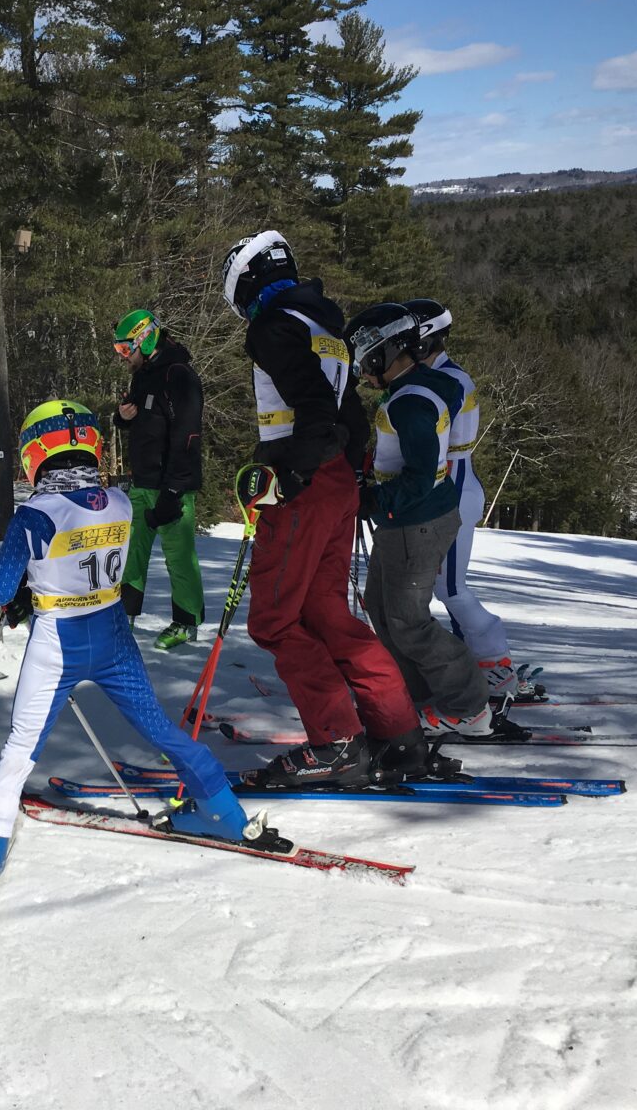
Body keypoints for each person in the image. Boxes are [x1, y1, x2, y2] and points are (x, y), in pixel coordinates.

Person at [0, 400, 251, 893]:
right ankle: (229, 815)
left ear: (36, 452)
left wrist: (14, 581)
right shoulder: (119, 501)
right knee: (161, 730)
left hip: (60, 645)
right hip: (114, 635)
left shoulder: (34, 514)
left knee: (20, 748)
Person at [219, 231, 424, 786]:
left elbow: (311, 405)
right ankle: (398, 733)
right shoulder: (323, 325)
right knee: (327, 614)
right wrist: (347, 478)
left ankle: (334, 742)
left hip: (303, 484)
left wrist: (289, 475)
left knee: (275, 619)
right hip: (334, 480)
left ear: (249, 280)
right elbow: (347, 412)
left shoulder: (273, 325)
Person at [348, 304, 493, 737]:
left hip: (417, 523)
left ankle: (469, 706)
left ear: (384, 352)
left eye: (364, 358)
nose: (362, 371)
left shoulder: (411, 401)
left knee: (409, 621)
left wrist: (369, 500)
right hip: (407, 521)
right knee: (384, 611)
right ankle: (419, 697)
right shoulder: (421, 385)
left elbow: (419, 479)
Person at [402, 298, 517, 699]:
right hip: (450, 491)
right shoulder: (435, 376)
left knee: (450, 588)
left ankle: (495, 667)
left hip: (453, 491)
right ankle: (472, 665)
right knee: (441, 588)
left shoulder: (452, 379)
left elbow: (443, 448)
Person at [110, 309, 205, 650]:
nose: (123, 358)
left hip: (173, 486)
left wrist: (174, 490)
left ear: (144, 339)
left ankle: (186, 622)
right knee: (132, 552)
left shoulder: (179, 375)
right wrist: (121, 418)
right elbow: (135, 417)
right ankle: (125, 617)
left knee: (179, 558)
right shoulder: (144, 375)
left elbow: (188, 438)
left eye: (125, 350)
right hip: (142, 483)